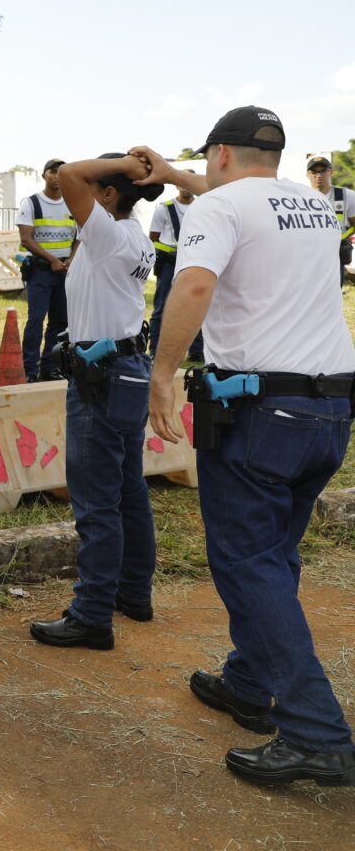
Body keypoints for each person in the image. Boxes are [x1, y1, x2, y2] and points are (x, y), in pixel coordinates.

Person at [147, 107, 355, 788]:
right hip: (328, 410)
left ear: (221, 155)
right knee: (275, 553)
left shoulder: (220, 206)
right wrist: (180, 175)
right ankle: (247, 682)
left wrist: (162, 371)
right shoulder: (317, 206)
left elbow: (196, 282)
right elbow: (245, 205)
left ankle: (316, 732)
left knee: (246, 562)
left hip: (261, 414)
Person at [29, 154, 162, 651]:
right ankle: (133, 593)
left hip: (102, 376)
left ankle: (91, 615)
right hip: (125, 369)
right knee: (128, 490)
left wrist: (125, 161)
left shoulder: (108, 234)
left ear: (106, 197)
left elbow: (66, 175)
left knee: (96, 502)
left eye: (94, 190)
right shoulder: (129, 234)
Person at [17, 159, 79, 381]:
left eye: (61, 172)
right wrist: (51, 259)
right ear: (44, 175)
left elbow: (79, 236)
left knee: (60, 322)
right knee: (36, 320)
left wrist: (71, 259)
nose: (56, 176)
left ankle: (50, 367)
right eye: (53, 172)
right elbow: (26, 238)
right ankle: (30, 370)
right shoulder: (31, 203)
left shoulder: (73, 203)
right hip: (41, 270)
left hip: (64, 271)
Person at [146, 171, 204, 361]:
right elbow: (153, 238)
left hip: (195, 262)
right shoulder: (165, 208)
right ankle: (155, 349)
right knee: (162, 307)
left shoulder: (203, 207)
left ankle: (197, 352)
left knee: (197, 306)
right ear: (177, 185)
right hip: (169, 264)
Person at [306, 156, 353, 285]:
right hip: (309, 255)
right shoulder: (301, 197)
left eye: (322, 171)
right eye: (314, 172)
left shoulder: (345, 195)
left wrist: (342, 239)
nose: (318, 175)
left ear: (330, 172)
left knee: (333, 295)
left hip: (335, 256)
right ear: (307, 175)